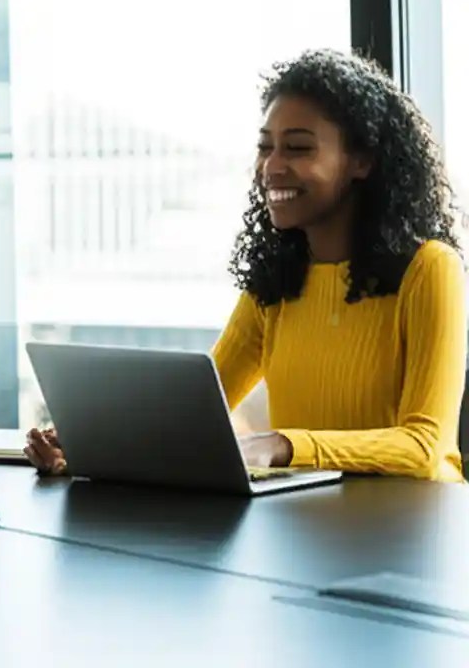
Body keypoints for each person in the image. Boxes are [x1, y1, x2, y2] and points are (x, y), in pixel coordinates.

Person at [27, 48, 466, 482]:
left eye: (297, 148)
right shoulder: (276, 283)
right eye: (265, 147)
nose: (271, 166)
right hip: (311, 517)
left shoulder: (429, 269)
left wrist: (284, 445)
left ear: (362, 161)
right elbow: (196, 414)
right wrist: (90, 445)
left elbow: (424, 445)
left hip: (419, 519)